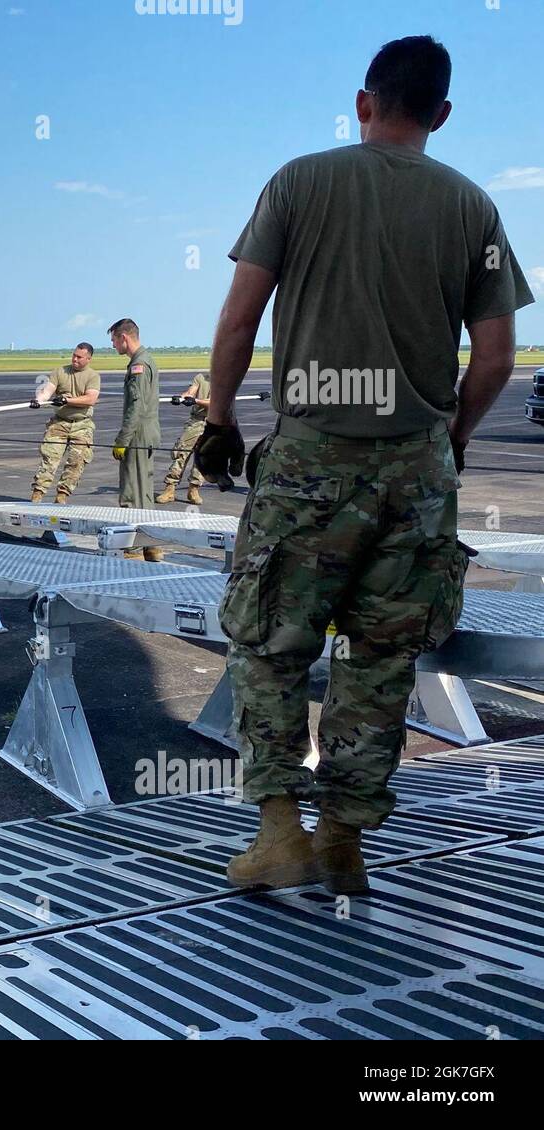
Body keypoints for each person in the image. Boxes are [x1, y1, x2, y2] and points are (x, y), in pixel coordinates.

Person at [195, 36, 534, 895]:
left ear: (364, 102)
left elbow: (238, 321)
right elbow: (496, 357)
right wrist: (448, 438)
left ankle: (279, 832)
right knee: (382, 657)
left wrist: (224, 419)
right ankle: (344, 837)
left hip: (311, 457)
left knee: (270, 642)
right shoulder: (473, 207)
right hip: (417, 473)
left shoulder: (301, 181)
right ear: (443, 115)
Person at [28, 343, 100, 506]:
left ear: (88, 359)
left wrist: (67, 400)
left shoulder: (93, 376)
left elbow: (91, 399)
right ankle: (37, 494)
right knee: (50, 459)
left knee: (77, 461)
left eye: (79, 357)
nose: (75, 359)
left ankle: (62, 495)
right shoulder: (60, 372)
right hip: (59, 423)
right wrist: (39, 400)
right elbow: (47, 391)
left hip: (82, 425)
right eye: (74, 355)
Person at [108, 319, 161, 511]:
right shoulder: (146, 359)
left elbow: (136, 406)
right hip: (146, 432)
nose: (113, 345)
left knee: (133, 491)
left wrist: (123, 440)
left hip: (137, 435)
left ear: (123, 337)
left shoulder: (139, 365)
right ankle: (147, 536)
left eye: (114, 340)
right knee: (143, 488)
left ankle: (137, 536)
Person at [156, 372, 210, 506]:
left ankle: (194, 489)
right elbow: (191, 391)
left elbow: (215, 403)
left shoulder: (226, 380)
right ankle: (170, 489)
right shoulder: (201, 377)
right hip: (196, 421)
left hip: (213, 422)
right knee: (181, 452)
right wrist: (181, 398)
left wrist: (196, 401)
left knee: (203, 458)